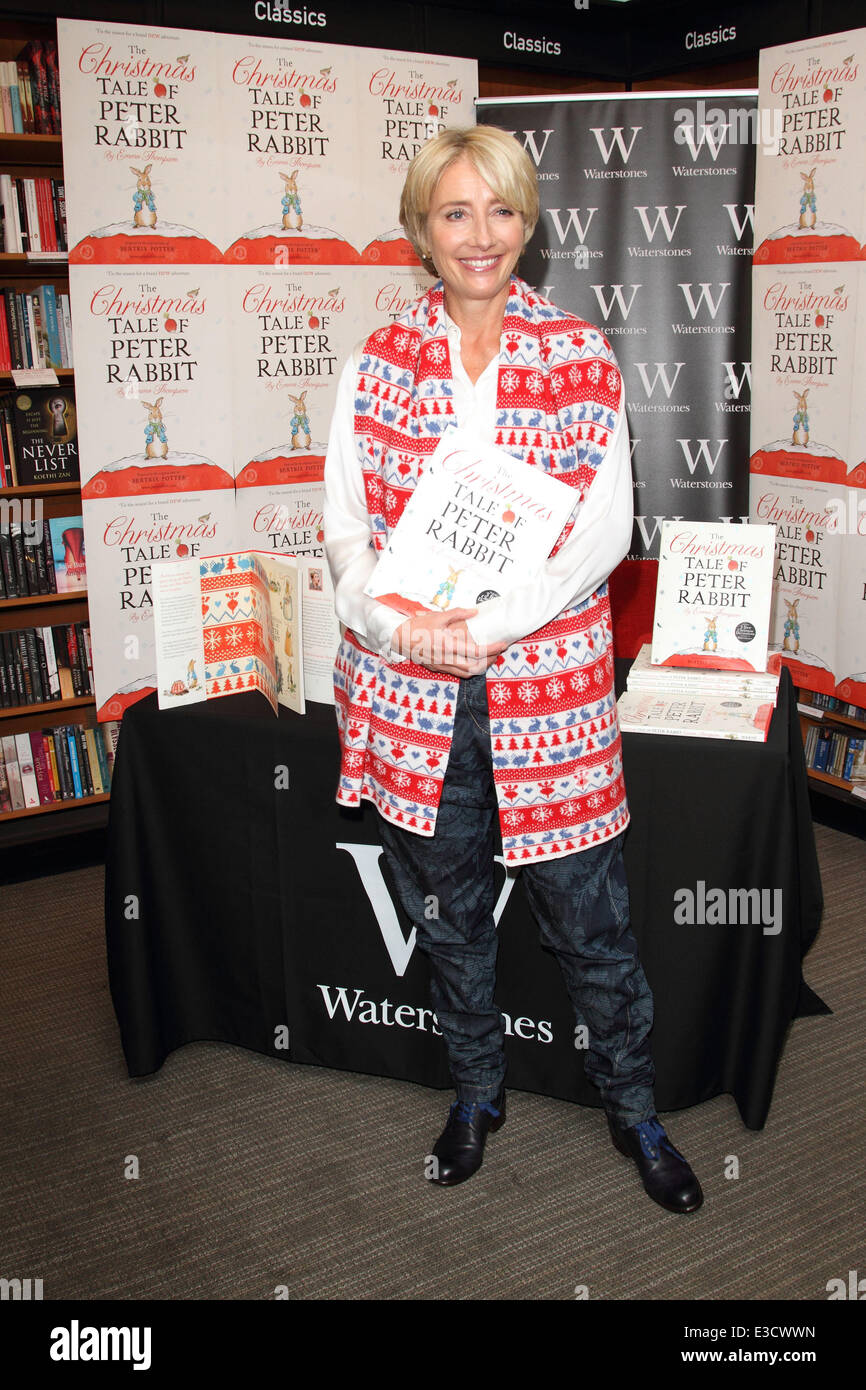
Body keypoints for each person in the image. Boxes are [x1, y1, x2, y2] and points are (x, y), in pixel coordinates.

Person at [323, 126, 703, 1214]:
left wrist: (487, 631)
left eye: (498, 211)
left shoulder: (580, 356)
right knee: (448, 917)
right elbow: (347, 537)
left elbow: (601, 535)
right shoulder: (372, 365)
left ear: (527, 223)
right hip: (408, 696)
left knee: (590, 925)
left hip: (546, 695)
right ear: (419, 231)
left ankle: (631, 1106)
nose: (477, 235)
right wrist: (401, 632)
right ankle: (475, 1091)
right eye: (453, 213)